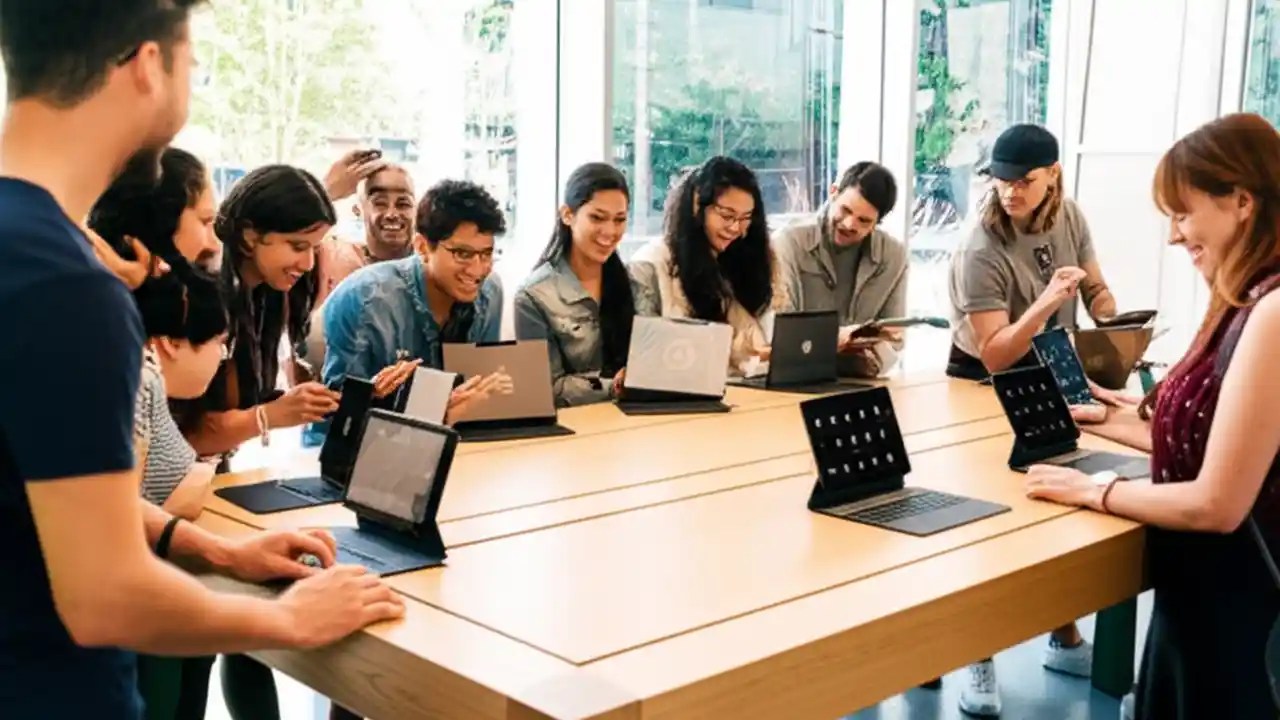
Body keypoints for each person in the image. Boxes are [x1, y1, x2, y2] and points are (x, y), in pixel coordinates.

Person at [0, 3, 403, 719]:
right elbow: (104, 597)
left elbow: (55, 495)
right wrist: (286, 621)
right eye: (195, 63)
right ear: (148, 65)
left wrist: (223, 554)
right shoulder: (66, 287)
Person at [1026, 112, 1280, 720]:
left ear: (1241, 201)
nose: (1173, 235)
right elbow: (1221, 442)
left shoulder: (1272, 311)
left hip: (1236, 613)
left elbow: (1217, 503)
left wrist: (1097, 490)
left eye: (1183, 213)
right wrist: (1119, 422)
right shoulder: (1244, 300)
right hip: (1202, 601)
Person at [944, 123, 1132, 717]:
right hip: (982, 380)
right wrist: (1051, 300)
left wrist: (1108, 311)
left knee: (1052, 503)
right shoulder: (981, 246)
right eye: (1000, 181)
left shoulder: (1069, 215)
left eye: (1023, 181)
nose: (1009, 193)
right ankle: (976, 649)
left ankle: (1063, 633)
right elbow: (994, 351)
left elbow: (1097, 285)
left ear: (1053, 175)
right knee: (990, 520)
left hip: (1050, 367)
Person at [322, 179, 511, 422]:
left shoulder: (489, 290)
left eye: (486, 254)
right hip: (368, 444)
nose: (478, 269)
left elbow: (479, 391)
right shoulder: (363, 299)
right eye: (462, 254)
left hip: (457, 439)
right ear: (422, 247)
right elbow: (337, 413)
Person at [628, 156, 789, 375]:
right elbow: (649, 355)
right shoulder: (652, 263)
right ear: (697, 205)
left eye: (745, 218)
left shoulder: (746, 258)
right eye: (727, 215)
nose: (735, 228)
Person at [515, 162, 638, 406]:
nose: (609, 231)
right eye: (597, 218)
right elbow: (546, 387)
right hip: (577, 430)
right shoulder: (533, 296)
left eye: (619, 219)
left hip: (638, 423)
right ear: (567, 215)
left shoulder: (633, 281)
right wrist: (616, 386)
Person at [772, 161, 908, 377]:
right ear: (833, 192)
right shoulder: (789, 243)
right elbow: (781, 333)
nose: (849, 225)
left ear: (877, 222)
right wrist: (834, 340)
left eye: (864, 221)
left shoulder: (893, 256)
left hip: (860, 378)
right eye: (845, 210)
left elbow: (895, 337)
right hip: (796, 377)